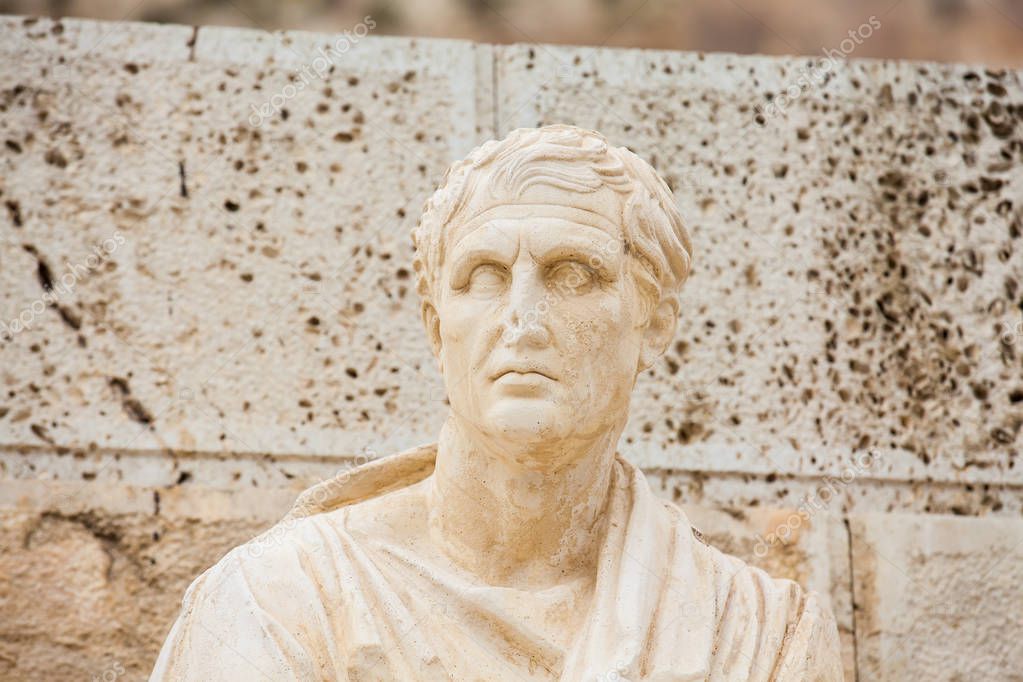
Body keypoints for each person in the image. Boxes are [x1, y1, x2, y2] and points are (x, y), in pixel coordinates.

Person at [152, 124, 843, 681]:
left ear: (653, 326)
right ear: (434, 325)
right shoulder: (282, 598)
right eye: (483, 276)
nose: (522, 318)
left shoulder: (757, 636)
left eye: (573, 274)